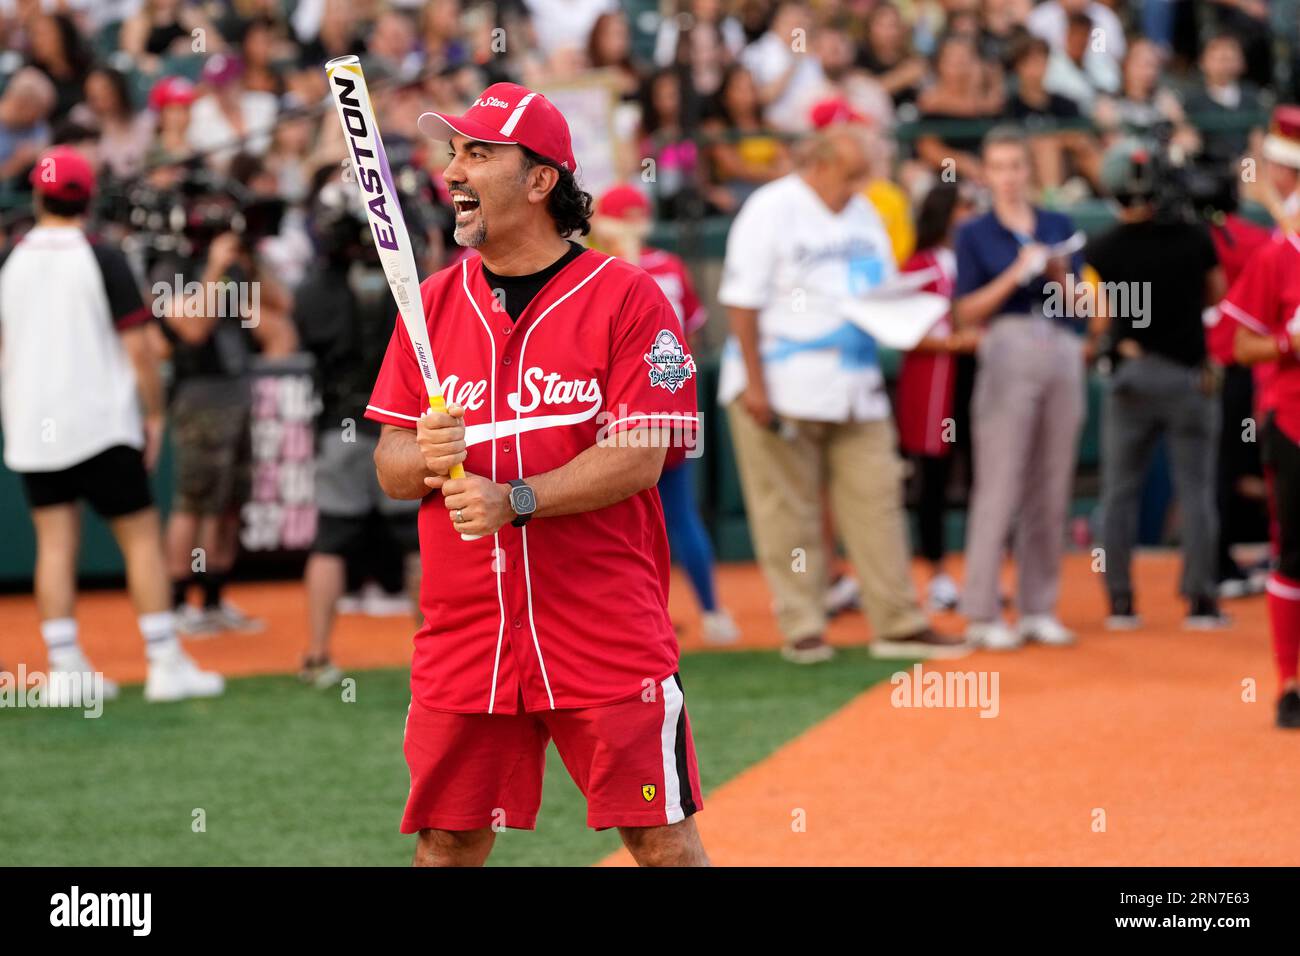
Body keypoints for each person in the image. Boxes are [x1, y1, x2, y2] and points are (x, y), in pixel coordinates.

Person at [366, 83, 708, 865]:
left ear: (541, 179)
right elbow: (388, 466)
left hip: (601, 624)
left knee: (659, 838)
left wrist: (515, 498)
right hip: (468, 630)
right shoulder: (428, 306)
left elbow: (640, 452)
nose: (454, 169)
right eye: (454, 151)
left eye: (478, 153)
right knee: (447, 840)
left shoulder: (627, 297)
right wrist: (424, 450)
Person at [718, 124, 962, 663]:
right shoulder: (771, 207)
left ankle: (897, 621)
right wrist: (755, 385)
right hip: (781, 381)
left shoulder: (862, 212)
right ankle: (803, 624)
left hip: (856, 381)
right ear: (821, 163)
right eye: (852, 174)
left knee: (877, 501)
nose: (859, 185)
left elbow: (878, 287)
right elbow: (742, 302)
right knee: (789, 511)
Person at [0, 146, 223, 703]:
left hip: (34, 427)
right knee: (141, 540)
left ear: (37, 194)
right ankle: (164, 663)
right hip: (101, 422)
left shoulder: (11, 258)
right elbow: (140, 352)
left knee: (54, 544)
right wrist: (152, 415)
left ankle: (64, 668)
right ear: (87, 197)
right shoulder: (104, 255)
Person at [1087, 140, 1228, 630]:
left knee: (1119, 492)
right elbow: (1217, 295)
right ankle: (1202, 603)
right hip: (1188, 377)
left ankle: (1121, 604)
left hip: (1131, 377)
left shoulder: (1102, 247)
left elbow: (1099, 321)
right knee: (1195, 491)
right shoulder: (1194, 237)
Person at [953, 125, 1084, 650]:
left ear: (1029, 171)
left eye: (1016, 166)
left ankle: (1037, 607)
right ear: (986, 174)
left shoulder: (1057, 222)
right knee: (999, 481)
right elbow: (965, 311)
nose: (1008, 177)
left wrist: (1055, 273)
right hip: (1005, 345)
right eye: (999, 167)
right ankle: (982, 611)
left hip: (1061, 346)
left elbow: (1080, 306)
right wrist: (1015, 272)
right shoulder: (974, 233)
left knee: (1051, 484)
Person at [592, 182, 740, 645]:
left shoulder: (598, 271)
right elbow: (689, 342)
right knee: (677, 514)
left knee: (619, 518)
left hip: (615, 410)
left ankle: (641, 617)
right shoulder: (668, 266)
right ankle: (712, 613)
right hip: (669, 404)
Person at [293, 178, 422, 687]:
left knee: (331, 540)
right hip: (400, 426)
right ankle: (431, 656)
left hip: (340, 426)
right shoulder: (410, 283)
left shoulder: (316, 288)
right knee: (415, 542)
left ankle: (317, 654)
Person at [1217, 105, 1300, 728]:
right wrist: (1288, 343)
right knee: (1293, 553)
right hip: (1291, 418)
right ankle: (1289, 683)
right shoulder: (1277, 254)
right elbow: (1232, 343)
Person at [895, 182, 980, 611]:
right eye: (965, 206)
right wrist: (955, 343)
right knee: (932, 475)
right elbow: (905, 332)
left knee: (981, 472)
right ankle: (937, 573)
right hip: (935, 380)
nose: (972, 213)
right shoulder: (917, 264)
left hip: (975, 377)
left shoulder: (975, 256)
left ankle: (978, 576)